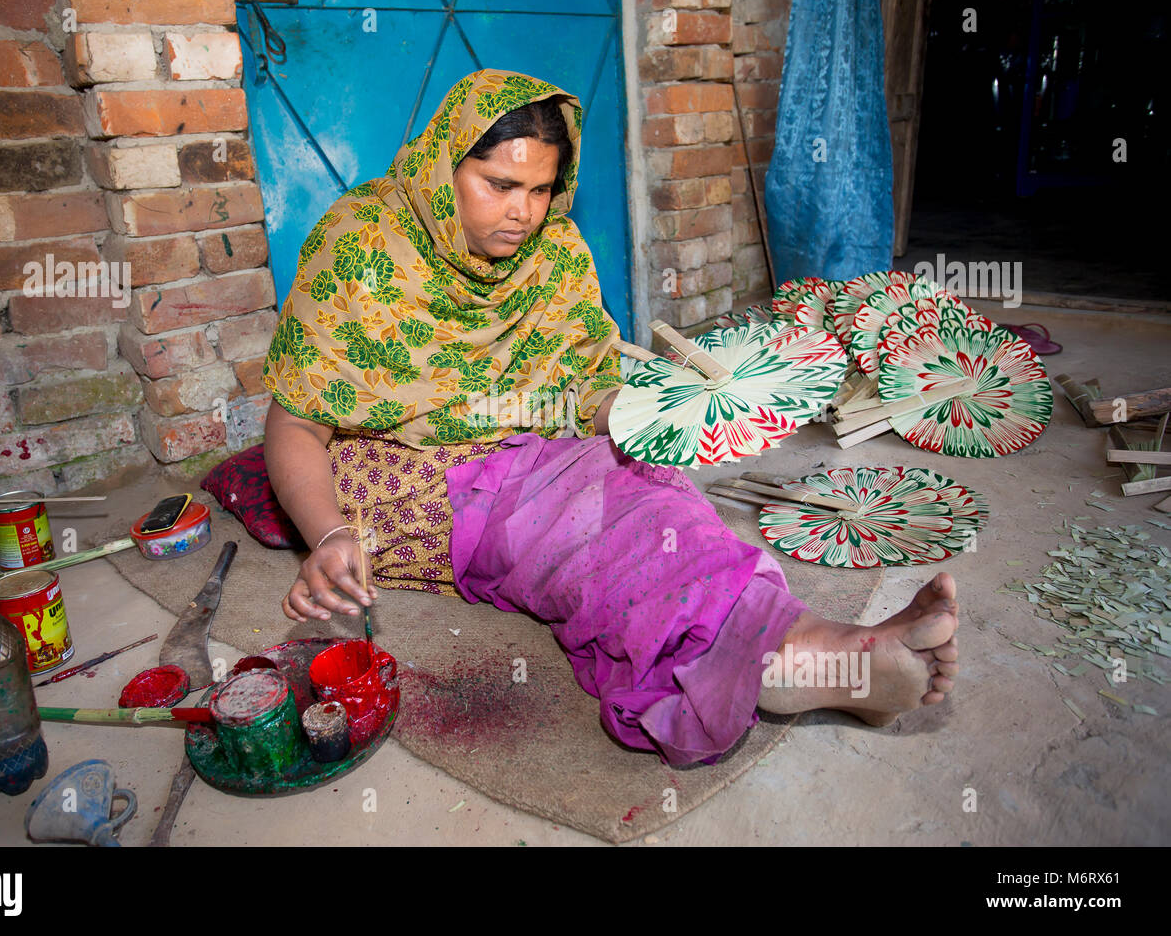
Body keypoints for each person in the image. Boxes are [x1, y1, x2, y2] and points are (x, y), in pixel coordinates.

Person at [263, 70, 958, 767]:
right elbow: (296, 423)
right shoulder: (361, 247)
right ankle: (796, 663)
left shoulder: (555, 254)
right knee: (596, 531)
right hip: (413, 482)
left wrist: (659, 410)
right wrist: (325, 534)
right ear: (445, 168)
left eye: (540, 190)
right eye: (499, 185)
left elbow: (589, 397)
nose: (523, 214)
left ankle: (809, 642)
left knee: (656, 486)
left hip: (539, 445)